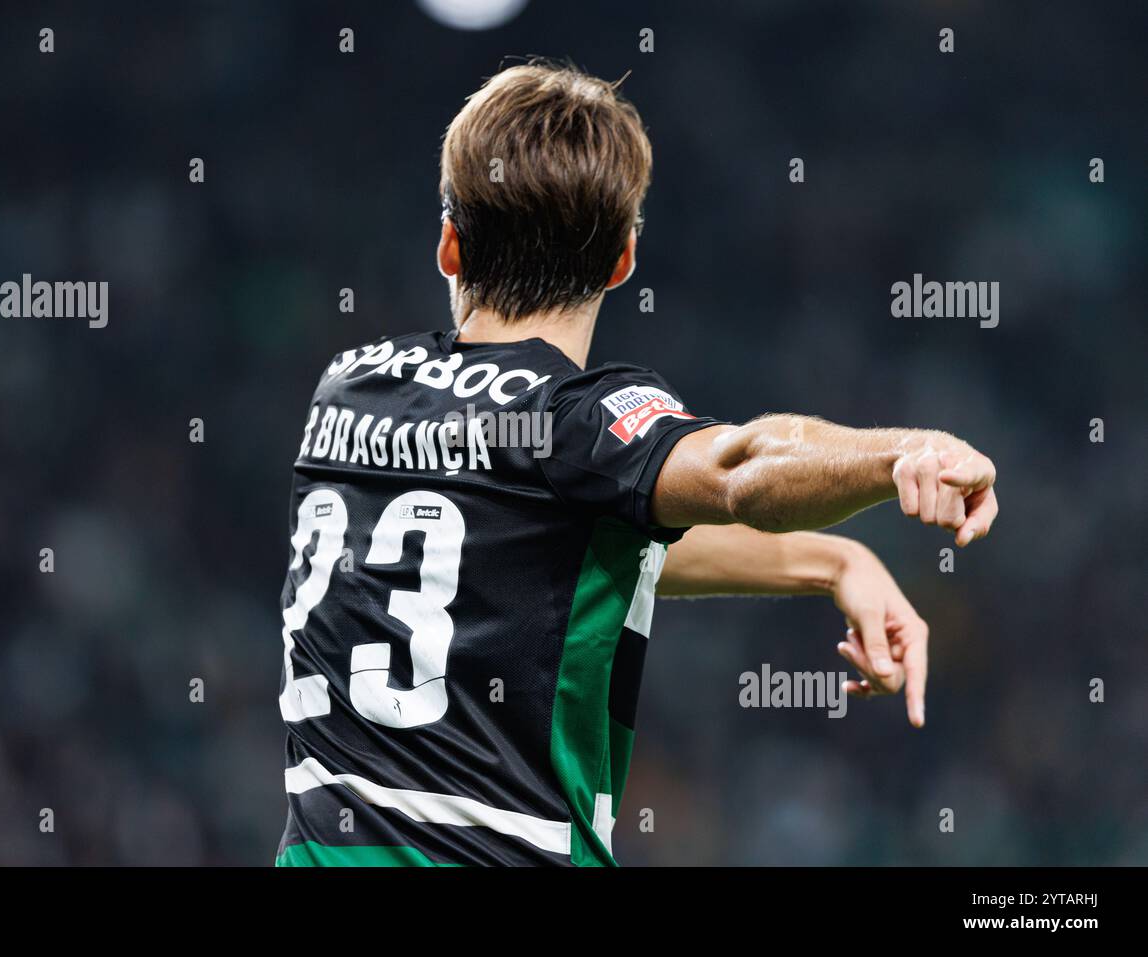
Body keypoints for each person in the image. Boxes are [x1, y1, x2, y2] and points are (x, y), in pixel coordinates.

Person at [275, 61, 998, 867]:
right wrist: (901, 451)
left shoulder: (347, 389)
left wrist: (832, 561)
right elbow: (738, 467)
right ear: (623, 258)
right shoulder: (580, 419)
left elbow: (553, 554)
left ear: (449, 244)